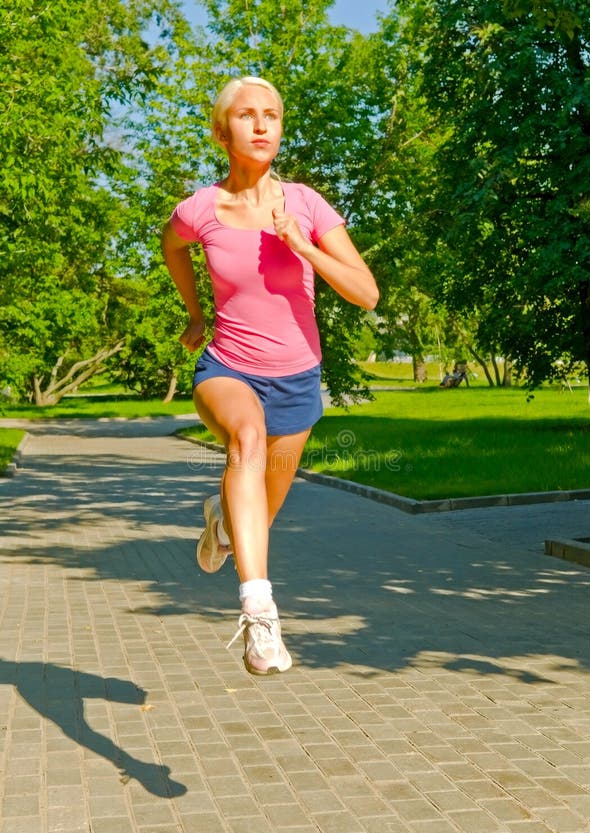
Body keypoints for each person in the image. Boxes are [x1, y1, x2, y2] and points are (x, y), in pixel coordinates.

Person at [162, 75, 378, 676]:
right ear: (221, 131)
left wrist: (304, 247)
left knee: (254, 512)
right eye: (247, 115)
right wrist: (197, 313)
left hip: (298, 381)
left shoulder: (306, 204)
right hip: (228, 368)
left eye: (272, 115)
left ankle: (220, 526)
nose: (261, 125)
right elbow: (171, 246)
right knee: (246, 441)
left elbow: (367, 293)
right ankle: (260, 618)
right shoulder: (201, 208)